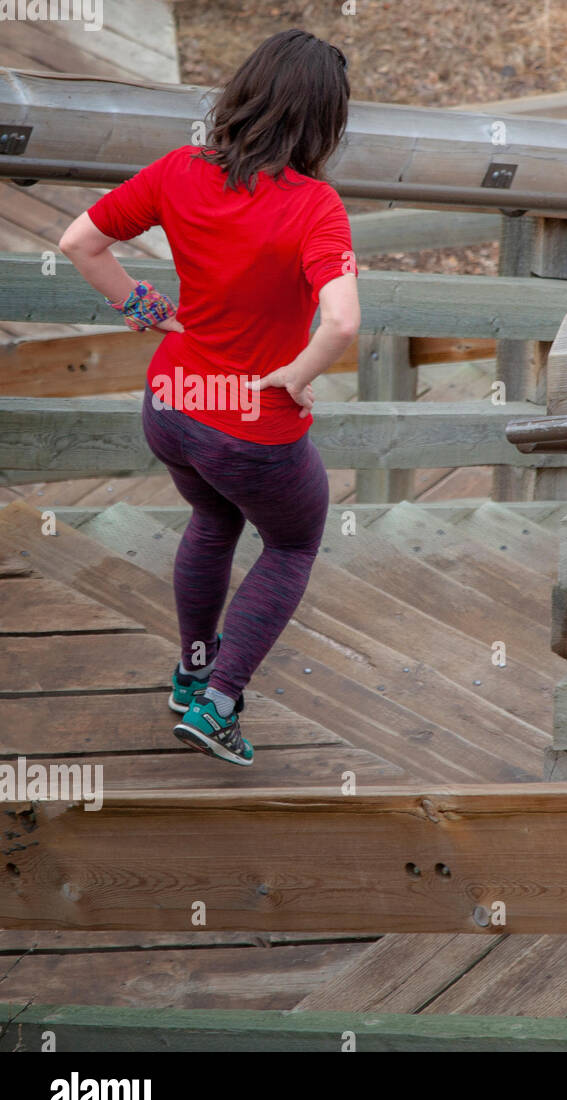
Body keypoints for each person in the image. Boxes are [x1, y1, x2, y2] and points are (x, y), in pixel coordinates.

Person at [58, 29, 361, 766]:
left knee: (212, 518)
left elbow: (78, 242)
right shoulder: (315, 207)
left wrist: (140, 302)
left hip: (171, 402)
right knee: (291, 543)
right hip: (251, 427)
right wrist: (295, 374)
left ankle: (192, 669)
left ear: (245, 93)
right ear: (324, 121)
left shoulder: (179, 170)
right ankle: (219, 702)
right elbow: (344, 320)